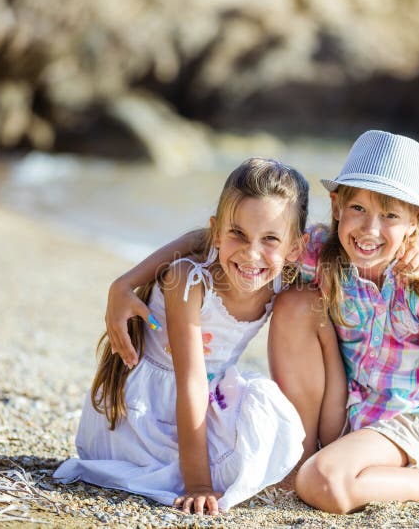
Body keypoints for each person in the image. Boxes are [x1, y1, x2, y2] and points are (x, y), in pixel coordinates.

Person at [54, 158, 312, 515]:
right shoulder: (188, 280)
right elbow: (191, 382)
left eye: (270, 239)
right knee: (252, 416)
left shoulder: (288, 278)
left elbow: (341, 249)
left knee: (263, 403)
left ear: (295, 249)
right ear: (218, 232)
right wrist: (199, 485)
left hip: (209, 400)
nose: (252, 253)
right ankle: (191, 470)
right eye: (237, 234)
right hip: (147, 411)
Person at [272, 130, 419, 514]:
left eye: (391, 215)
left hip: (402, 422)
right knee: (294, 303)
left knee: (322, 482)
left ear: (413, 223)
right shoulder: (322, 255)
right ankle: (301, 453)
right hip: (343, 409)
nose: (370, 230)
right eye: (358, 209)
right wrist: (136, 280)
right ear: (336, 206)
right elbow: (247, 245)